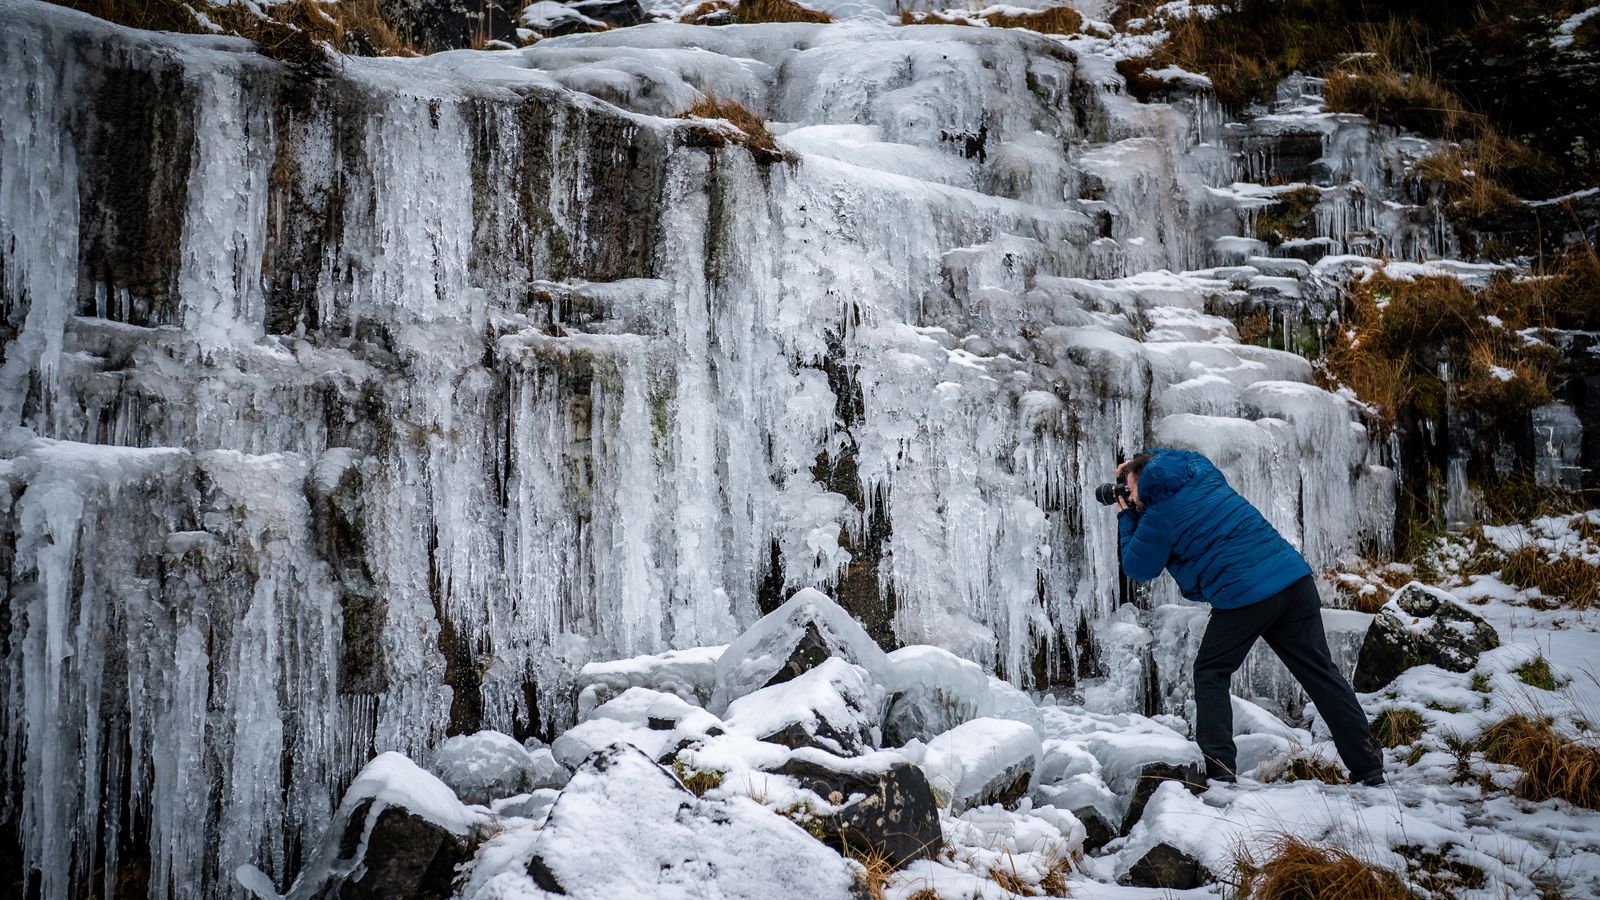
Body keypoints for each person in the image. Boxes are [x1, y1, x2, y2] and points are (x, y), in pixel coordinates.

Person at [1114, 448, 1384, 786]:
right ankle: (1369, 766)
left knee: (1210, 671)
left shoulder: (1158, 514)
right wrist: (1141, 464)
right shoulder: (1200, 471)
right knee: (1321, 674)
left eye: (1131, 489)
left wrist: (1127, 519)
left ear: (1144, 481)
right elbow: (1175, 460)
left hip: (1245, 593)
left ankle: (1220, 774)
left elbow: (1139, 567)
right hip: (1293, 578)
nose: (1131, 497)